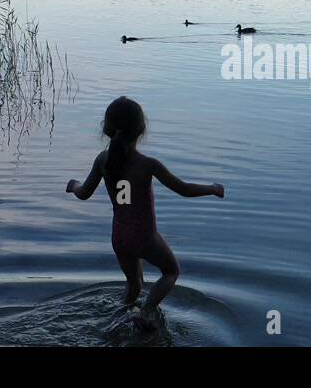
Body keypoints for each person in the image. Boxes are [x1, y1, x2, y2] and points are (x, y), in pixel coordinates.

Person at [66, 96, 224, 330]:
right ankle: (146, 312)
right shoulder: (148, 165)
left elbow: (84, 193)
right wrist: (212, 189)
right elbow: (184, 189)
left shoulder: (103, 160)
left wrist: (74, 185)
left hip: (119, 237)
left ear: (107, 129)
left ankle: (116, 322)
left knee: (134, 286)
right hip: (144, 236)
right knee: (171, 271)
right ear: (141, 130)